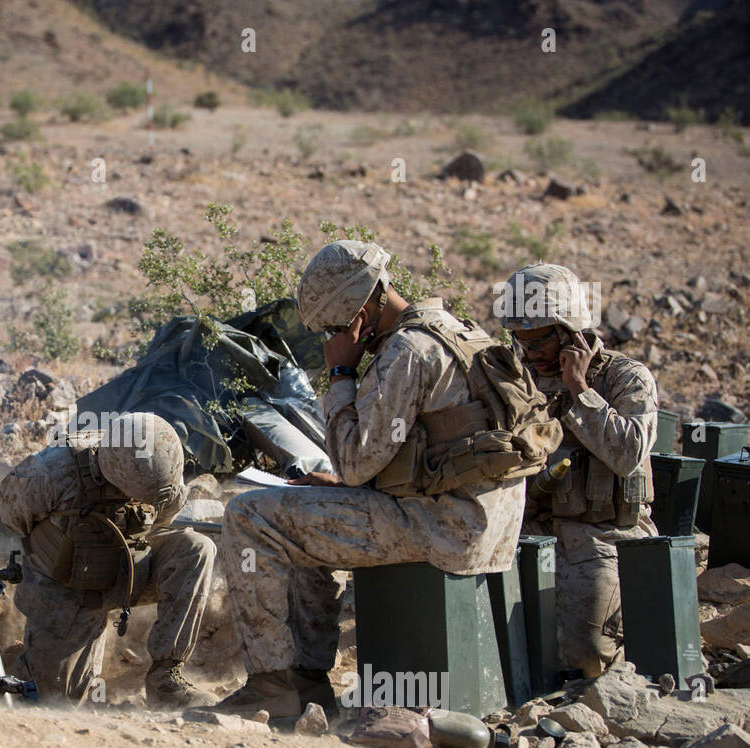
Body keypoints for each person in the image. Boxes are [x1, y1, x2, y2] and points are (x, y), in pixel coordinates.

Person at [212, 240, 556, 717]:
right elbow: (424, 453)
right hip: (477, 520)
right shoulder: (457, 329)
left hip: (445, 528)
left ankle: (277, 685)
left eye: (335, 328)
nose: (333, 336)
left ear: (359, 314)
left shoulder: (406, 353)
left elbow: (353, 461)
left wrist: (341, 372)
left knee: (249, 516)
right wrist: (347, 485)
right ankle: (305, 683)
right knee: (304, 518)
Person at [497, 263, 658, 677]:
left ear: (572, 331)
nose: (531, 353)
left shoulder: (626, 377)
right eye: (521, 341)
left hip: (601, 537)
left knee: (586, 658)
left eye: (541, 341)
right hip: (527, 531)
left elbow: (627, 453)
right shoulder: (519, 379)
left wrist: (580, 389)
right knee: (491, 642)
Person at [0, 412, 216, 708]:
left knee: (197, 548)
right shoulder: (51, 470)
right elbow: (13, 517)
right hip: (67, 584)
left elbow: (164, 518)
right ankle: (25, 657)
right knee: (57, 699)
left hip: (128, 569)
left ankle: (166, 677)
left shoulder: (163, 470)